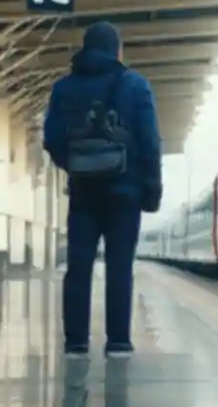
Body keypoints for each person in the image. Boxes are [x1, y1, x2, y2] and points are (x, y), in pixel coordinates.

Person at [43, 21, 162, 359]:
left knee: (79, 265)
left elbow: (52, 139)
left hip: (83, 192)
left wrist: (78, 164)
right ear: (117, 50)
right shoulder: (136, 85)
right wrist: (151, 187)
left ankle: (76, 342)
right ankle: (118, 342)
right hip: (126, 192)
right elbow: (150, 141)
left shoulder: (63, 88)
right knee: (119, 265)